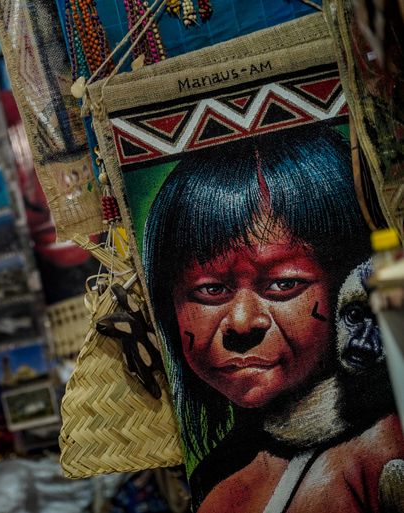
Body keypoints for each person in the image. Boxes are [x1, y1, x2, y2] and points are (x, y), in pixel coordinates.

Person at [142, 124, 404, 513]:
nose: (242, 322)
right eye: (210, 290)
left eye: (283, 284)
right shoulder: (217, 474)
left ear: (349, 284)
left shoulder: (382, 458)